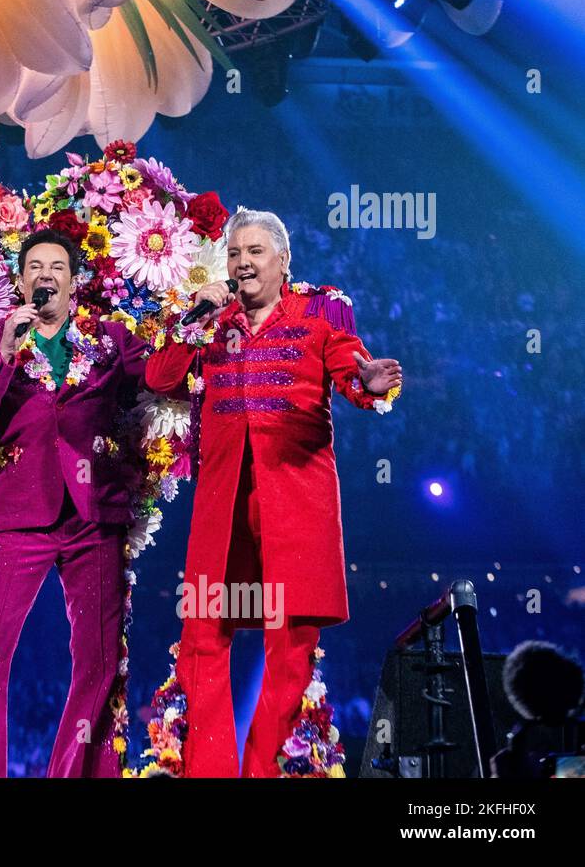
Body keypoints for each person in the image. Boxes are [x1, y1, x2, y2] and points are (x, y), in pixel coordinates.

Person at [143, 207, 402, 777]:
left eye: (255, 252)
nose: (242, 263)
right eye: (234, 253)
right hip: (225, 502)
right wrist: (197, 313)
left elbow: (349, 370)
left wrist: (368, 384)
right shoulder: (211, 322)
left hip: (296, 501)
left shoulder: (318, 313)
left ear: (283, 261)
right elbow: (160, 377)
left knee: (289, 646)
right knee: (204, 635)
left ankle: (269, 772)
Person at [0, 228, 152, 778]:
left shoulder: (111, 338)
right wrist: (2, 349)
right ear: (20, 278)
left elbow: (159, 377)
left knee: (98, 661)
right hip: (23, 514)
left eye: (56, 266)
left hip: (95, 515)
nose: (45, 274)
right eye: (34, 266)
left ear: (74, 280)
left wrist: (200, 321)